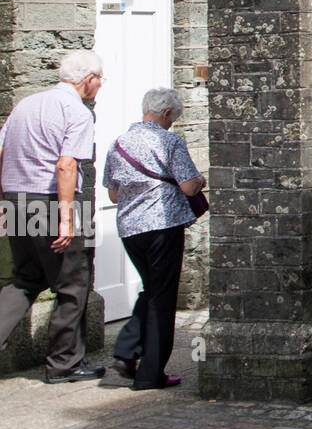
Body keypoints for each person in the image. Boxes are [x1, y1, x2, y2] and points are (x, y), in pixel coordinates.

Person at [0, 51, 106, 383]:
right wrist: (65, 220)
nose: (100, 86)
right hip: (52, 202)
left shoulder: (25, 105)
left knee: (26, 279)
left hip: (16, 199)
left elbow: (2, 153)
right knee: (73, 283)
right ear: (88, 80)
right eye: (100, 79)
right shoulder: (77, 111)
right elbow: (66, 165)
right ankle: (65, 364)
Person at [102, 87, 206, 390]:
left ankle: (126, 350)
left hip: (130, 228)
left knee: (151, 289)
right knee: (162, 298)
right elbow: (188, 187)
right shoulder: (169, 140)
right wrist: (201, 180)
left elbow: (113, 192)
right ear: (166, 114)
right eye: (174, 117)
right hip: (163, 225)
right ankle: (150, 374)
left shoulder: (119, 143)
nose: (173, 122)